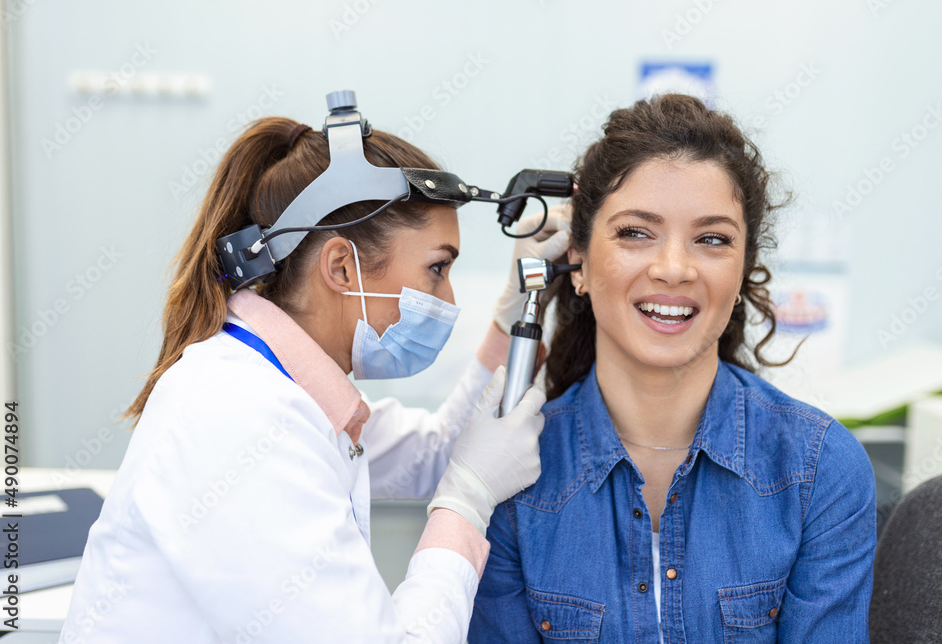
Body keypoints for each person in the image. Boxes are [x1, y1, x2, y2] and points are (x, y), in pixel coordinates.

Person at [59, 115, 570, 643]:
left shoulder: (286, 389)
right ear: (341, 269)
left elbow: (440, 450)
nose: (449, 301)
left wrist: (514, 314)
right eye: (437, 269)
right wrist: (466, 500)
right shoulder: (239, 418)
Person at [469, 94, 876, 642]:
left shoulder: (819, 470)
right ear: (580, 266)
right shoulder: (512, 476)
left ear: (742, 274)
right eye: (636, 232)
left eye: (712, 239)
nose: (674, 269)